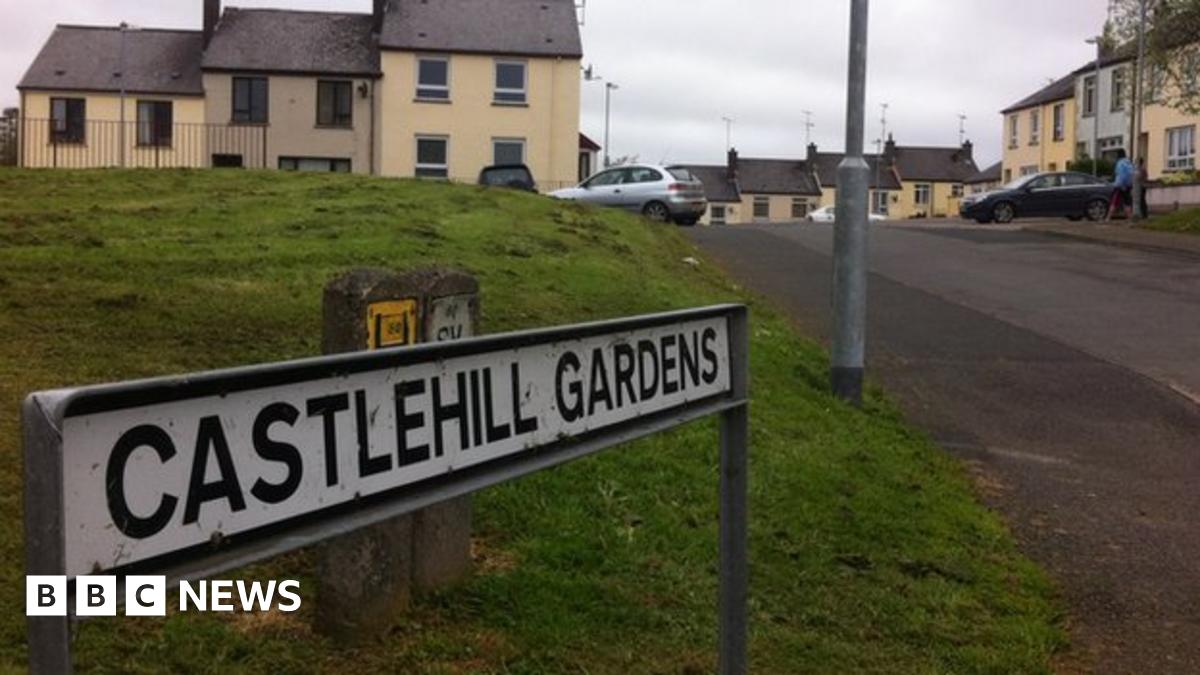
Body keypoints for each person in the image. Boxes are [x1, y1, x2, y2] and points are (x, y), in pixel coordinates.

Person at [1107, 149, 1134, 221]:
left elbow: (1121, 175)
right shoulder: (1129, 163)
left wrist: (1122, 185)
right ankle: (1129, 218)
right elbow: (1131, 174)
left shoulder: (1120, 163)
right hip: (1129, 185)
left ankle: (1108, 218)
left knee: (1114, 201)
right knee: (1127, 202)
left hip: (1120, 185)